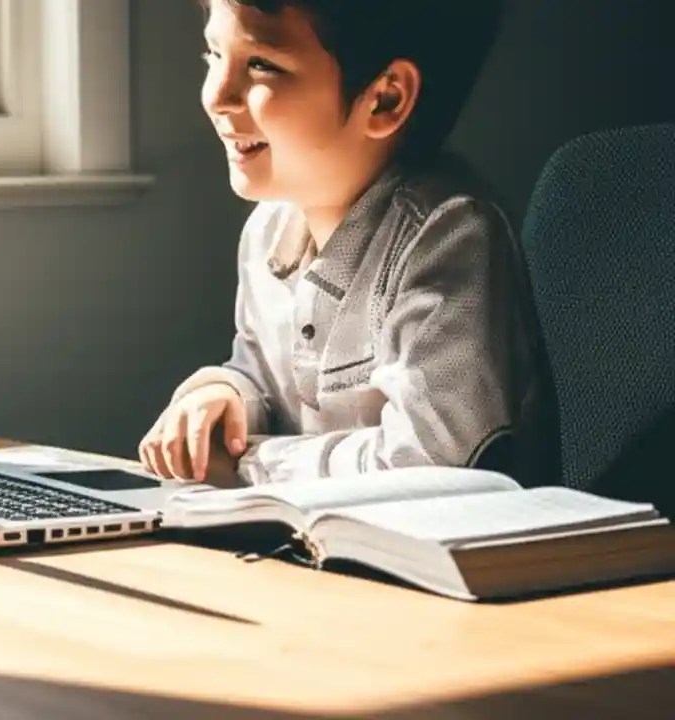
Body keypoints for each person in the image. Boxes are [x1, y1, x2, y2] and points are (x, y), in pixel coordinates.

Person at [139, 0, 557, 487]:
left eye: (260, 65)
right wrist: (225, 397)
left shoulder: (451, 236)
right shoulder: (268, 232)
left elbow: (429, 460)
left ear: (385, 99)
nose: (217, 95)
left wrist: (247, 466)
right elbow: (263, 381)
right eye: (213, 54)